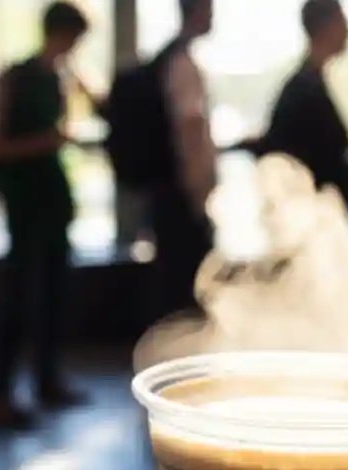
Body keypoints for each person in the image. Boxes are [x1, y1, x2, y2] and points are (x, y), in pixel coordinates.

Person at [0, 2, 90, 429]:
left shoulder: (57, 78)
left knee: (51, 296)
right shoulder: (17, 79)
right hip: (27, 205)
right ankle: (1, 392)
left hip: (49, 205)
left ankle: (46, 379)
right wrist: (46, 142)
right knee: (18, 298)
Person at [259, 0, 348, 211]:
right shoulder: (306, 90)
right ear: (327, 26)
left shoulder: (307, 84)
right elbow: (327, 163)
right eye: (343, 22)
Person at [151, 0, 216, 319]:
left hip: (167, 191)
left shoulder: (165, 60)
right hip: (183, 195)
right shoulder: (183, 65)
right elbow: (190, 126)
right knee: (185, 292)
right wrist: (199, 191)